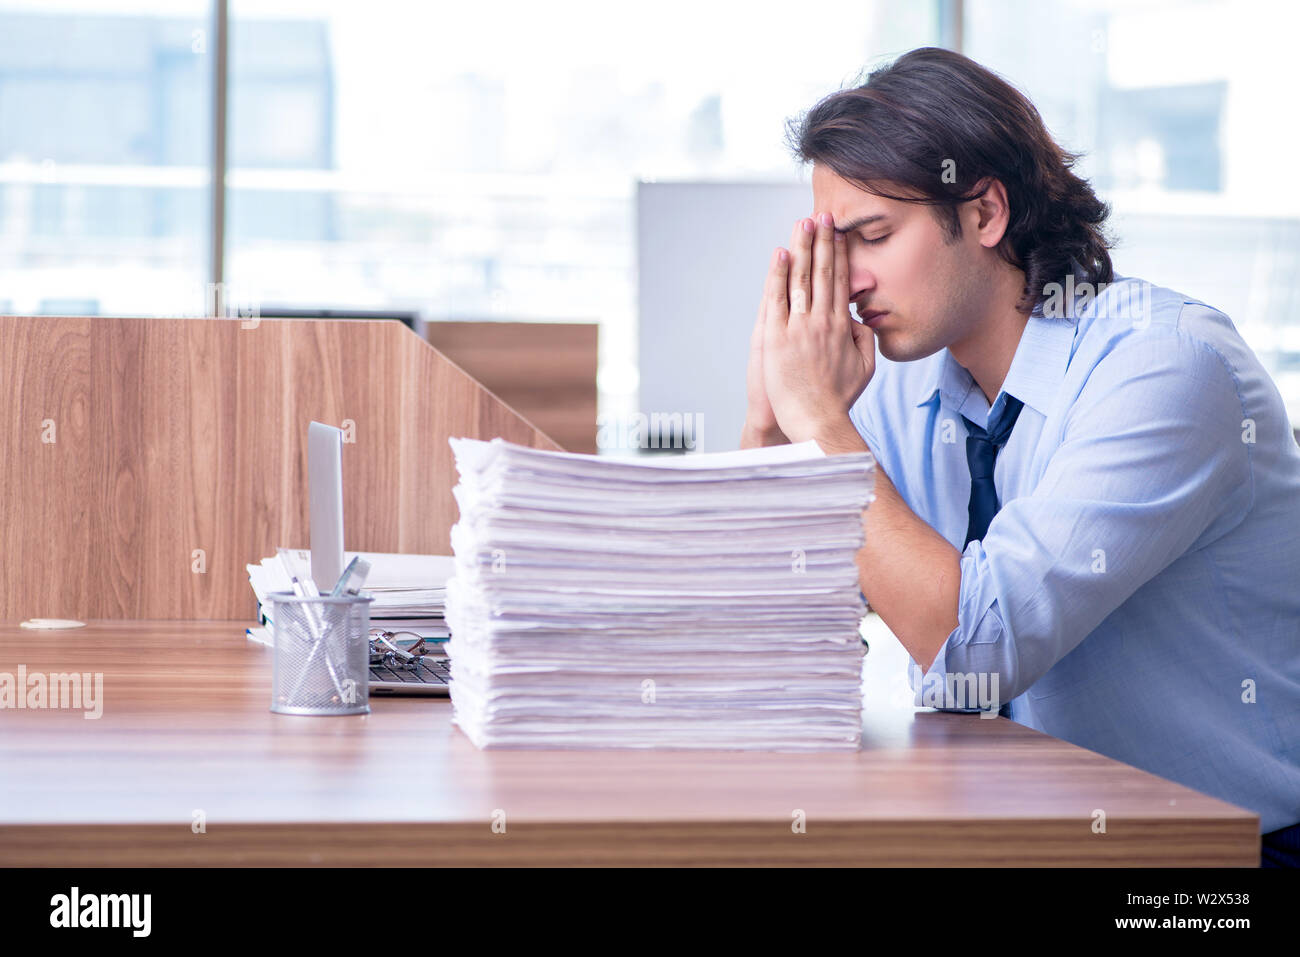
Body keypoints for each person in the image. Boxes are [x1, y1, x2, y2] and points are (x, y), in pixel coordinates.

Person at [742, 46, 1300, 867]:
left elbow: (976, 640)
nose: (849, 282)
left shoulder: (1167, 368)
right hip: (1027, 833)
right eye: (835, 247)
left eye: (874, 236)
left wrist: (820, 424)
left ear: (985, 212)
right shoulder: (905, 379)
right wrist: (767, 429)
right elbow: (761, 636)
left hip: (1224, 862)